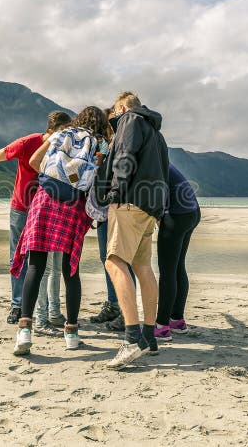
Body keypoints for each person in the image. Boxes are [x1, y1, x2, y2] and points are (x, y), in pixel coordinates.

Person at [11, 106, 109, 356]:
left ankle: (24, 330)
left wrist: (54, 172)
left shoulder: (60, 135)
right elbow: (97, 179)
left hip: (44, 200)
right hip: (73, 207)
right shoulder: (100, 144)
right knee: (70, 270)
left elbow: (34, 162)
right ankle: (72, 334)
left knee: (36, 265)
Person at [0, 111, 72, 324]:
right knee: (18, 257)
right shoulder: (27, 143)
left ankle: (41, 308)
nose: (64, 137)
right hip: (21, 208)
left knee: (44, 263)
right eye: (61, 132)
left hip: (47, 210)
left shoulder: (64, 148)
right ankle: (17, 305)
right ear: (49, 131)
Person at [102, 92, 169, 369]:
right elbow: (164, 171)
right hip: (151, 205)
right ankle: (150, 336)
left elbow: (124, 155)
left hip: (129, 200)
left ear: (120, 107)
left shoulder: (129, 119)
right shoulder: (156, 132)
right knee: (142, 266)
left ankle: (132, 338)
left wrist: (115, 191)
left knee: (114, 261)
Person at [90, 108, 136, 329]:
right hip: (103, 207)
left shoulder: (121, 143)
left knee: (120, 259)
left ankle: (126, 310)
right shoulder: (104, 145)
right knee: (106, 258)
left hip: (117, 206)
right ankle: (113, 304)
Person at [154, 163, 201, 342]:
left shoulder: (148, 160)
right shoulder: (160, 157)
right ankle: (177, 321)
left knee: (167, 271)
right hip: (192, 211)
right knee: (177, 266)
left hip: (177, 214)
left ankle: (161, 327)